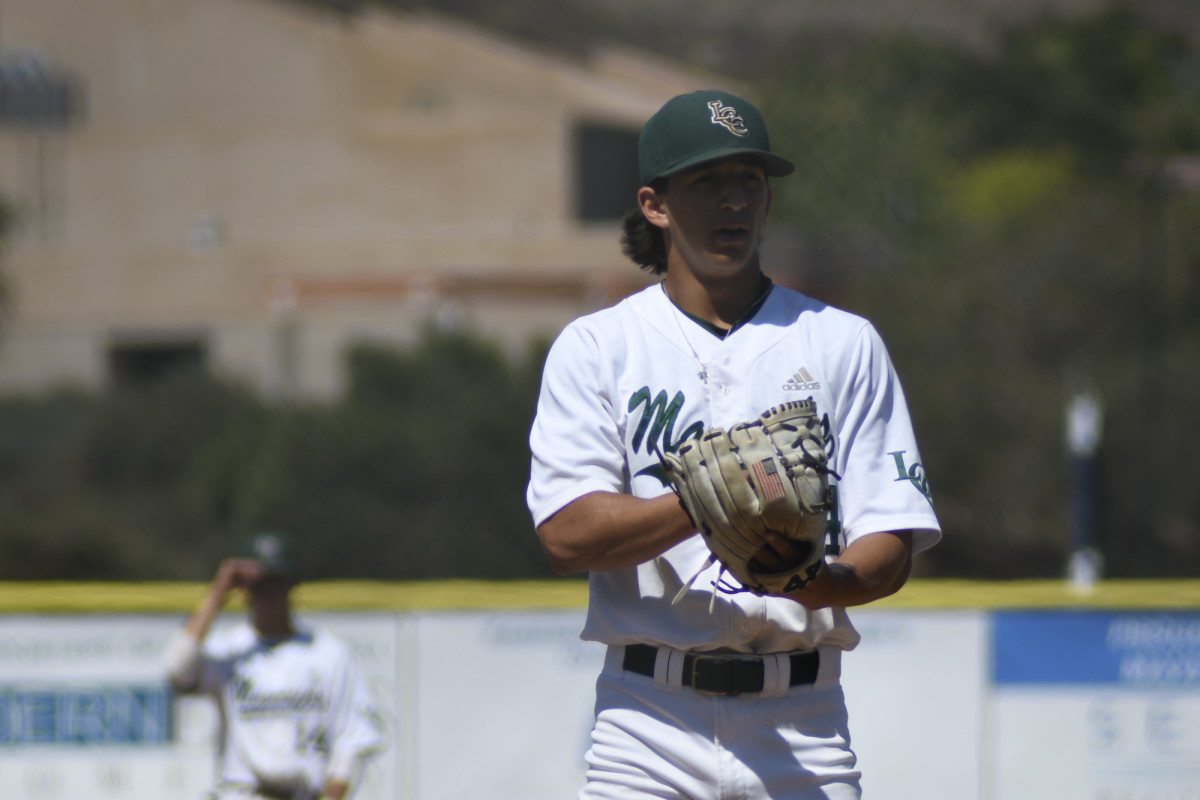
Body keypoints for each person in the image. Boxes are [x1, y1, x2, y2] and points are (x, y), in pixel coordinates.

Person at [526, 89, 941, 799]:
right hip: (647, 726)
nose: (734, 201)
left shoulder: (842, 342)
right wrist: (712, 501)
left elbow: (890, 542)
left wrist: (817, 581)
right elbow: (568, 535)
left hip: (804, 716)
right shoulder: (598, 346)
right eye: (707, 181)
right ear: (654, 204)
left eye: (749, 179)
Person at [164, 532, 386, 800]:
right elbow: (176, 670)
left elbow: (353, 738)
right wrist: (218, 591)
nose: (269, 593)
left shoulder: (329, 653)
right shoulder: (230, 651)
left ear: (293, 584)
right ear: (244, 588)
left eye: (277, 582)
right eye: (260, 584)